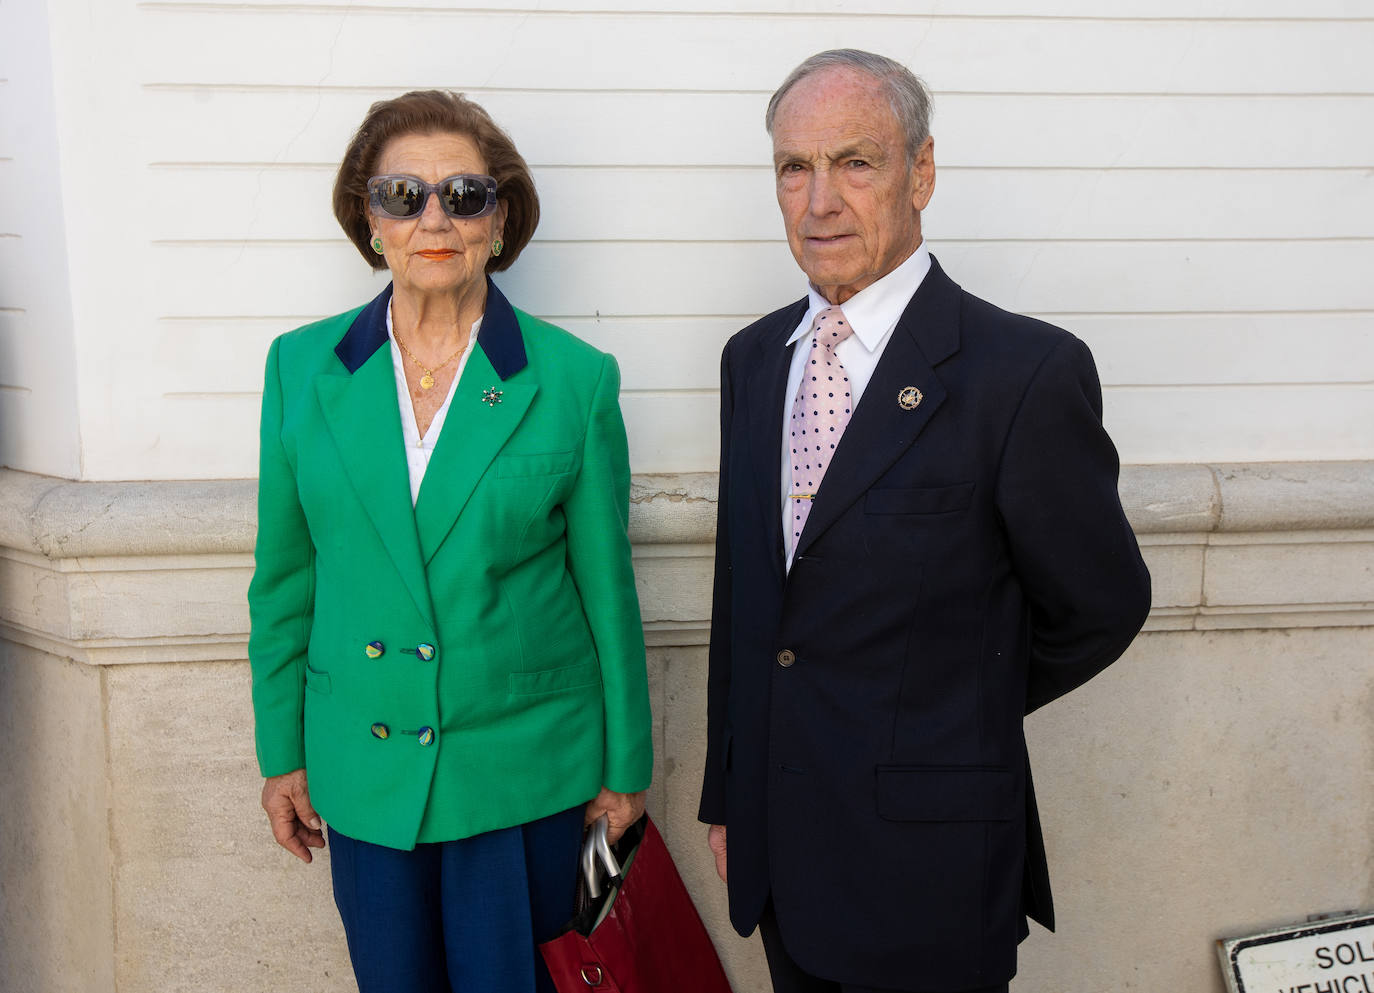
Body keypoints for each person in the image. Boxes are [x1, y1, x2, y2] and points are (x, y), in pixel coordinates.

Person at [698, 50, 1151, 993]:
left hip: (927, 871)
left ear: (923, 172)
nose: (819, 200)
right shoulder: (752, 361)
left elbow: (1101, 606)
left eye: (854, 162)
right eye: (794, 167)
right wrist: (728, 792)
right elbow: (744, 595)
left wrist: (944, 708)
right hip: (782, 852)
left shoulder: (1020, 374)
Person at [248, 90, 652, 993]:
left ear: (501, 220)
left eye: (464, 195)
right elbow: (283, 581)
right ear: (370, 219)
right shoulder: (299, 370)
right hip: (366, 768)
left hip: (522, 777)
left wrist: (627, 768)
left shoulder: (574, 381)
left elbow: (606, 590)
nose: (434, 217)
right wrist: (282, 750)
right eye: (403, 195)